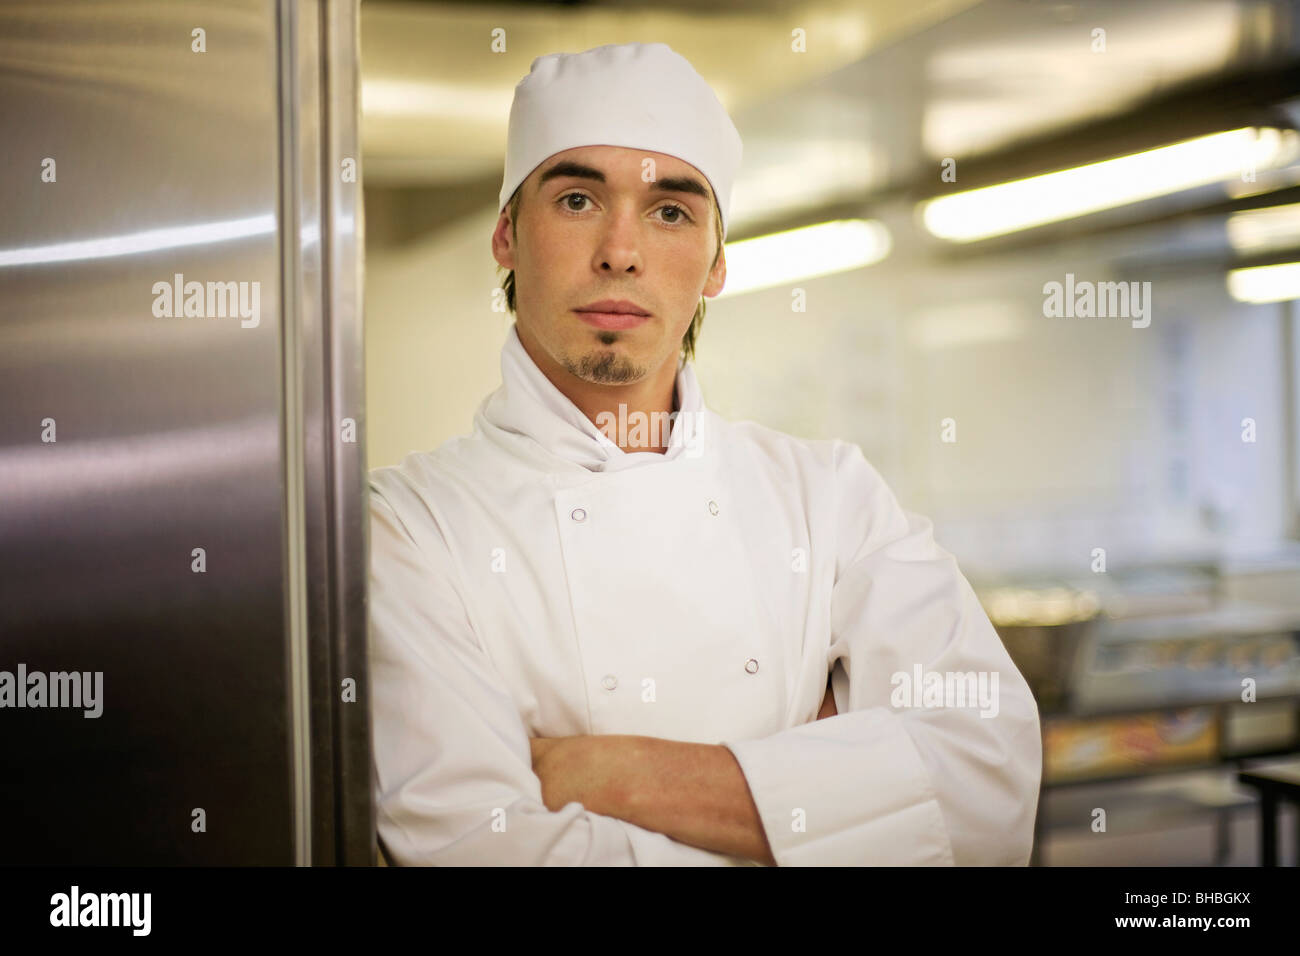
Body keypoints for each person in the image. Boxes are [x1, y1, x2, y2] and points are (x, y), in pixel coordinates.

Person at [368, 41, 1042, 866]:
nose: (621, 251)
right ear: (507, 236)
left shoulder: (828, 499)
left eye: (671, 211)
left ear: (717, 263)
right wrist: (842, 799)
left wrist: (614, 776)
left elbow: (989, 781)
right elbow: (474, 846)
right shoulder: (408, 530)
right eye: (578, 199)